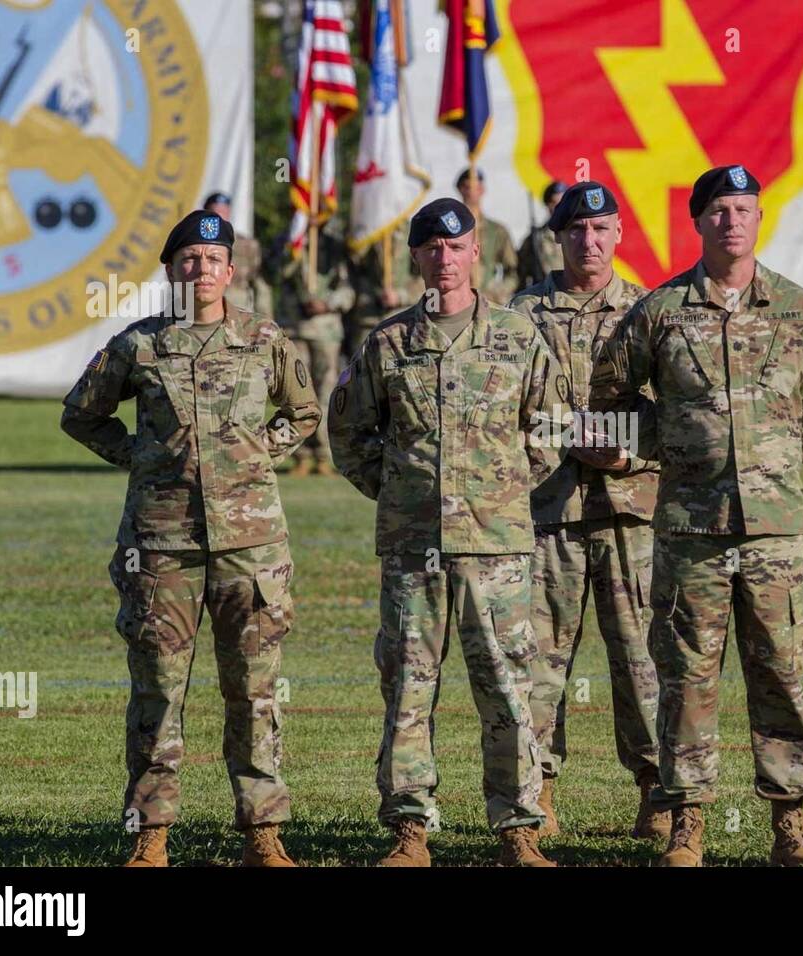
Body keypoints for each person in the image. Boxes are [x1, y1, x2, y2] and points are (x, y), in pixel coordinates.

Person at [590, 165, 803, 867]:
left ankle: (790, 827)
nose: (732, 221)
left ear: (759, 218)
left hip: (773, 526)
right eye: (719, 210)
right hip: (691, 526)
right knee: (687, 675)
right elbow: (610, 391)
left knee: (781, 671)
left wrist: (794, 444)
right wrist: (664, 446)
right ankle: (687, 824)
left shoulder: (798, 309)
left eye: (744, 208)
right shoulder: (661, 310)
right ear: (699, 222)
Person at [60, 210, 321, 867]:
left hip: (251, 548)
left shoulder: (263, 338)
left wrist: (268, 448)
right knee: (157, 690)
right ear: (171, 270)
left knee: (254, 691)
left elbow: (305, 409)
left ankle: (263, 832)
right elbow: (81, 414)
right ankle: (151, 833)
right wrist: (139, 456)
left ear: (229, 271)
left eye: (212, 259)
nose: (200, 269)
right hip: (162, 546)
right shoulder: (139, 345)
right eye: (188, 259)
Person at [328, 198, 571, 867]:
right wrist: (403, 490)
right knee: (409, 686)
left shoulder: (517, 337)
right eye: (432, 248)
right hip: (415, 550)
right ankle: (410, 828)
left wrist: (507, 487)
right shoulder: (386, 342)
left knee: (508, 689)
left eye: (457, 246)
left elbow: (551, 427)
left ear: (476, 255)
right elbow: (349, 435)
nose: (445, 259)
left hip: (497, 547)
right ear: (417, 258)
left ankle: (519, 828)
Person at [508, 181, 664, 840]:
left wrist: (625, 455)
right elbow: (500, 411)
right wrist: (559, 438)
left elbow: (679, 410)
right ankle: (536, 790)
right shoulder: (519, 314)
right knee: (539, 660)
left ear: (619, 235)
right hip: (547, 513)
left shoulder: (649, 311)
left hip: (630, 513)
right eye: (577, 230)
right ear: (558, 237)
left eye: (601, 229)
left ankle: (659, 792)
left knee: (642, 658)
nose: (590, 242)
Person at [279, 217, 356, 475]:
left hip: (326, 330)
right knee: (296, 394)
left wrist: (327, 303)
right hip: (295, 327)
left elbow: (348, 290)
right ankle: (300, 454)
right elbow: (274, 273)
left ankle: (324, 454)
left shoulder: (336, 247)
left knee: (326, 393)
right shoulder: (290, 240)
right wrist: (293, 246)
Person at [344, 220, 424, 361]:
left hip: (402, 320)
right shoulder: (368, 227)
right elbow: (353, 269)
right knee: (361, 373)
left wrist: (400, 296)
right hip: (368, 319)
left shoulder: (413, 233)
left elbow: (425, 279)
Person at [203, 191, 272, 318]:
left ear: (229, 213)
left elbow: (259, 283)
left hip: (237, 310)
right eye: (214, 212)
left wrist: (265, 319)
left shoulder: (247, 245)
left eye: (223, 212)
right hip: (203, 309)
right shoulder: (194, 246)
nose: (219, 217)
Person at [456, 167, 519, 305]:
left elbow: (513, 272)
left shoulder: (497, 231)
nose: (472, 192)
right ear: (460, 190)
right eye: (467, 187)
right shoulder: (451, 231)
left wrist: (496, 294)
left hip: (488, 302)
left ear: (482, 190)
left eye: (476, 187)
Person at [516, 180, 566, 291]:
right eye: (554, 203)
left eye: (562, 202)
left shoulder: (579, 234)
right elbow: (520, 271)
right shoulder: (535, 238)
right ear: (548, 205)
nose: (558, 208)